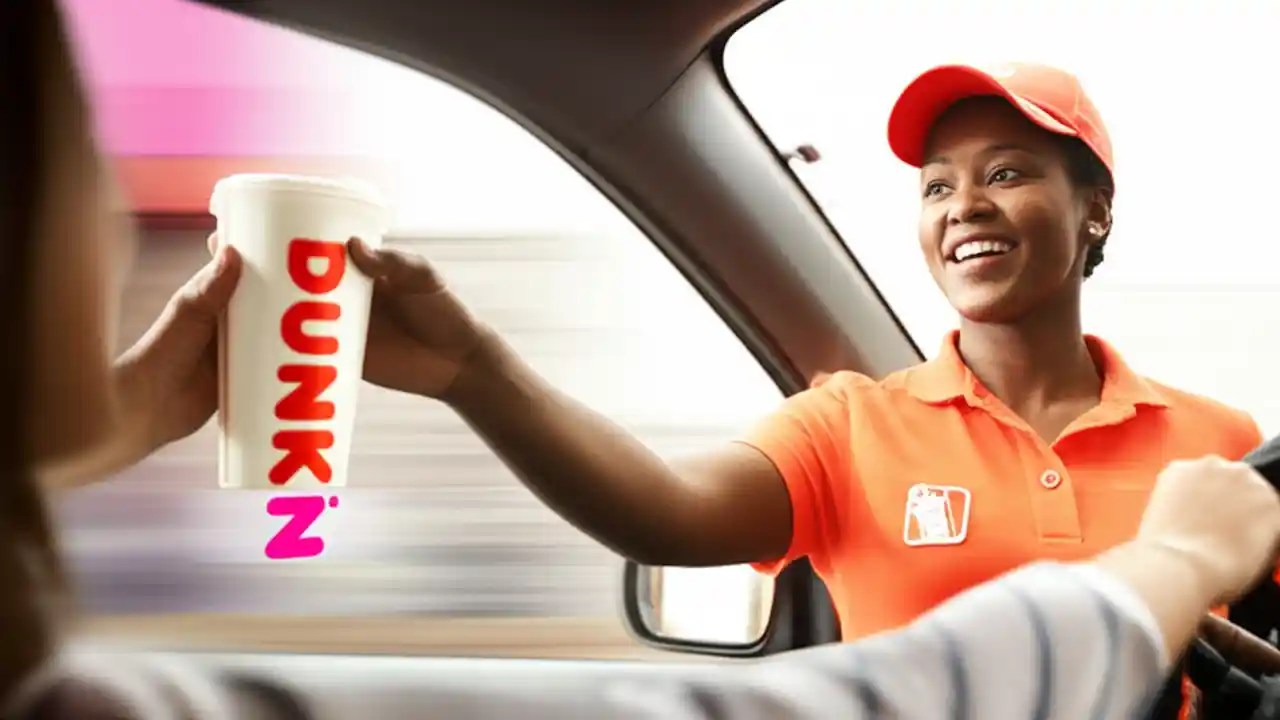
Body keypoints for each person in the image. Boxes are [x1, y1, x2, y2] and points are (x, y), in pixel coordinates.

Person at [6, 1, 1280, 716]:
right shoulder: (850, 422)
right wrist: (473, 374)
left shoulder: (1222, 451)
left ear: (1092, 209)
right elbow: (661, 515)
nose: (963, 206)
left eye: (1008, 172)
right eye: (937, 183)